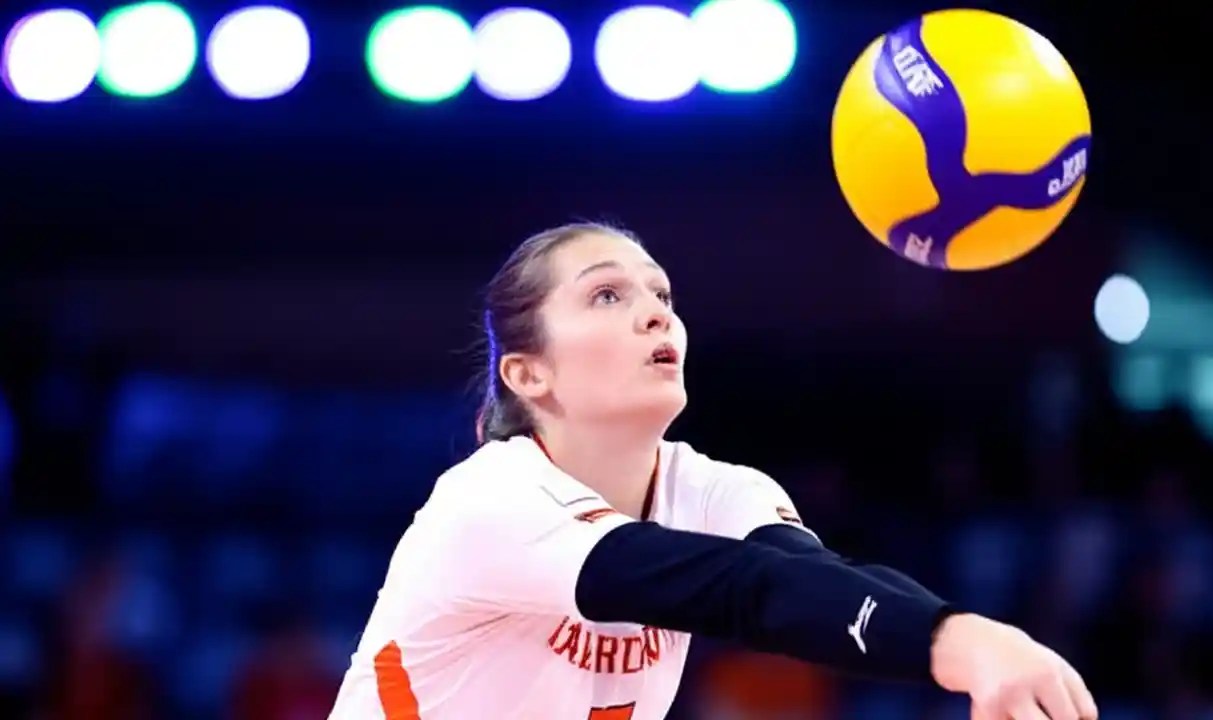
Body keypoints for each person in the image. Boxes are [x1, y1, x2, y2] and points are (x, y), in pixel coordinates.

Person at [328, 222, 1098, 720]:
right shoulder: (487, 503)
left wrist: (972, 640)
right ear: (529, 375)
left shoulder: (717, 490)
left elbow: (806, 582)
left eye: (662, 294)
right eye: (606, 294)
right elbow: (738, 589)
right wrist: (957, 643)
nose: (657, 313)